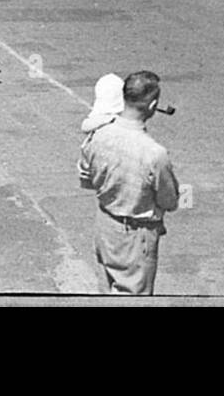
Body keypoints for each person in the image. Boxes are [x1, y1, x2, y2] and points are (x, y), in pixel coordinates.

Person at [77, 71, 180, 295]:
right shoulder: (155, 153)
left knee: (105, 290)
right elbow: (169, 200)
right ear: (153, 105)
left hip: (105, 224)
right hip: (136, 235)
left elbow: (86, 178)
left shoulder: (97, 135)